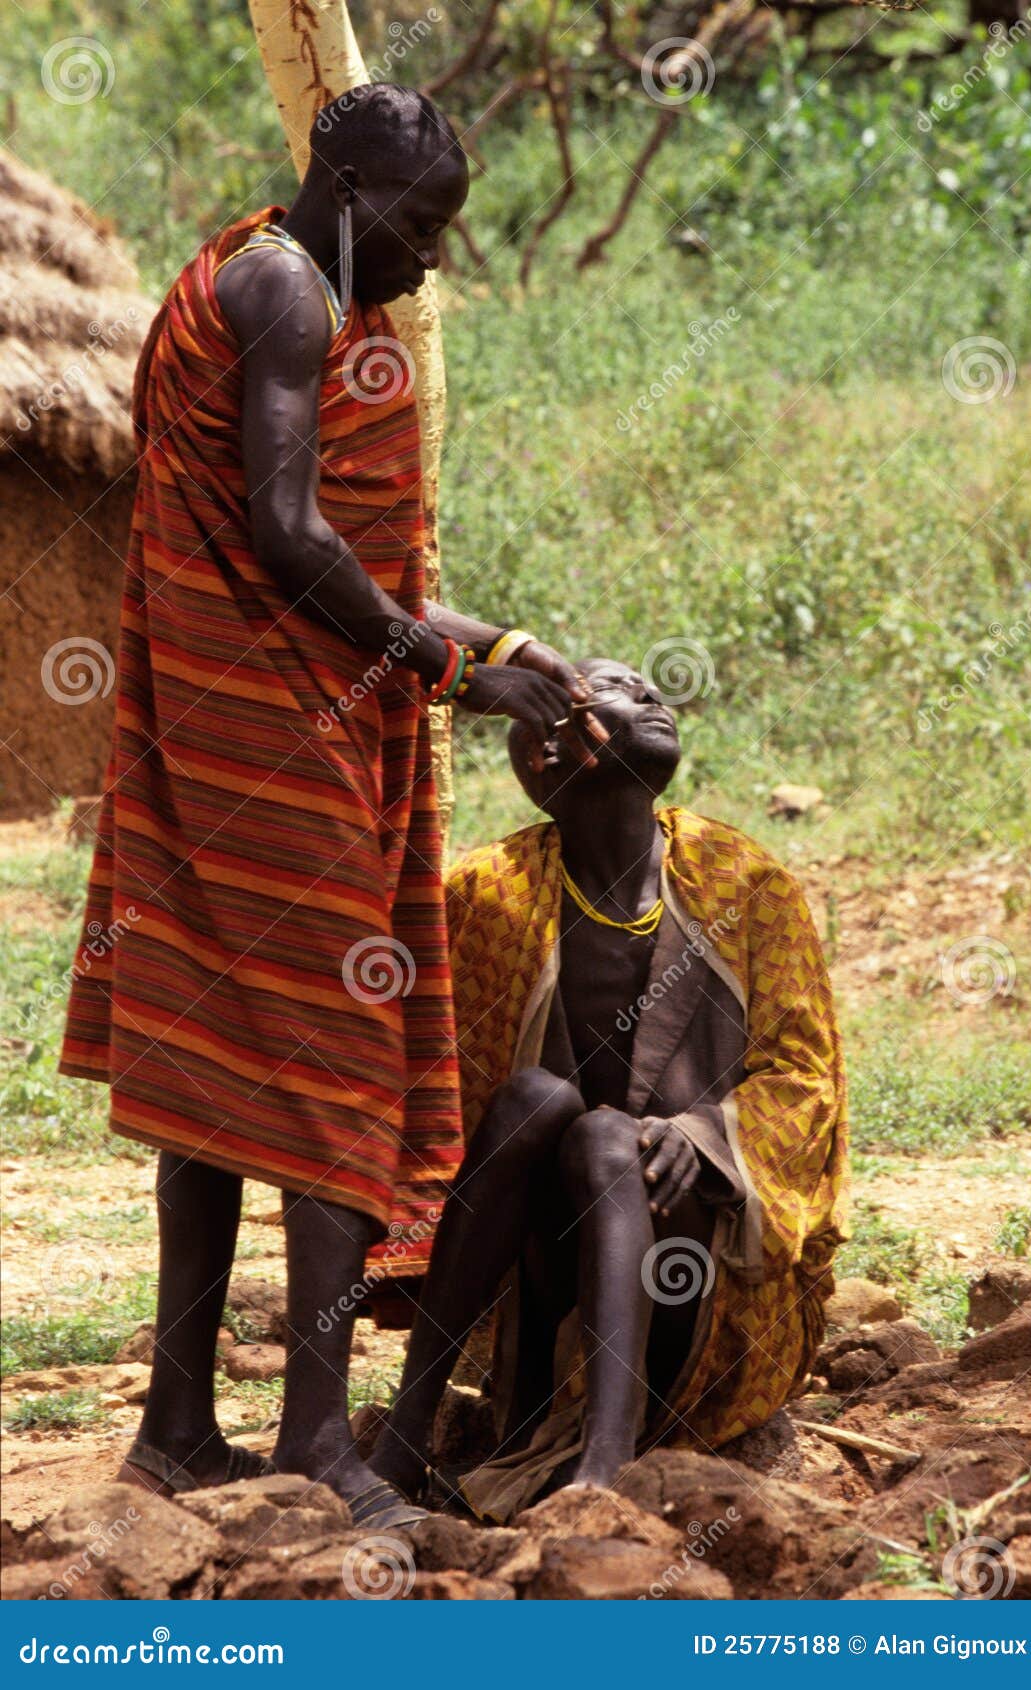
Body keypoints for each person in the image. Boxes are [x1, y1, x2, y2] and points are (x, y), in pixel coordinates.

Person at [59, 83, 601, 1529]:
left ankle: (178, 1424)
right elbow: (290, 531)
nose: (433, 260)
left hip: (238, 720)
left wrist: (497, 652)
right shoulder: (289, 299)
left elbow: (350, 554)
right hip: (269, 737)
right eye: (422, 229)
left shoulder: (264, 274)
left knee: (226, 1059)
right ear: (352, 197)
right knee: (330, 1058)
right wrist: (434, 661)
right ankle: (313, 1429)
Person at [370, 658, 849, 1521]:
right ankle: (409, 1426)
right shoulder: (488, 897)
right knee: (538, 1103)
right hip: (555, 1288)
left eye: (649, 686)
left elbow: (807, 1075)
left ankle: (606, 1461)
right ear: (545, 757)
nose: (654, 698)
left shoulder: (742, 881)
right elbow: (437, 1097)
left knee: (603, 1138)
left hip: (701, 1279)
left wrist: (704, 1132)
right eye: (618, 690)